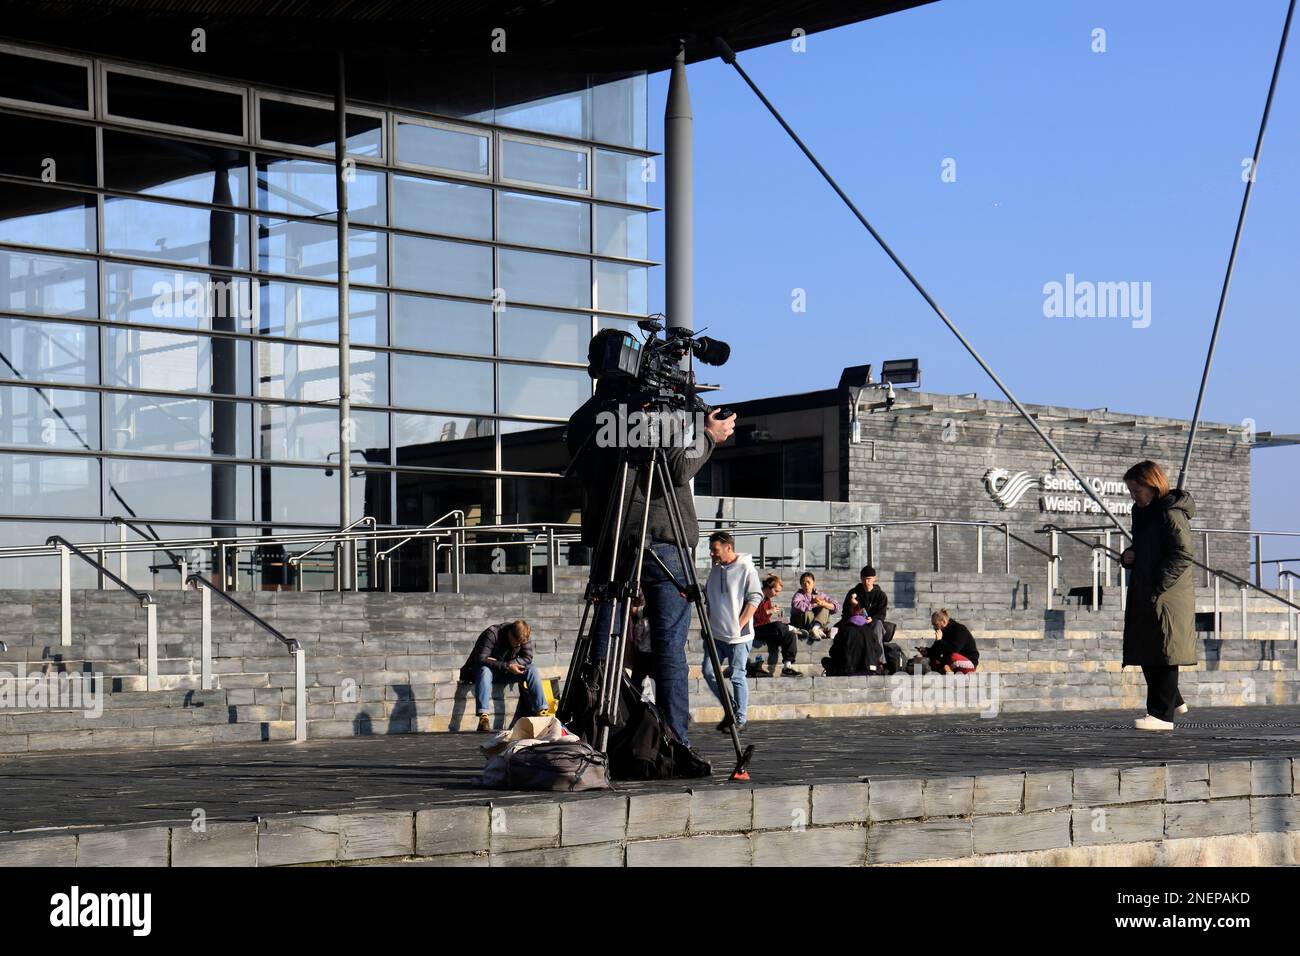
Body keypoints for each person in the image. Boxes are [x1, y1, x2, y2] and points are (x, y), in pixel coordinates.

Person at [567, 329, 735, 747]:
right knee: (667, 648)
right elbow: (678, 468)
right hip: (664, 537)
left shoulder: (586, 418)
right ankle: (674, 742)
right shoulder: (655, 412)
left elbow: (582, 471)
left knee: (604, 641)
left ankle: (593, 734)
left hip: (611, 539)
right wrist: (708, 436)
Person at [1120, 460, 1195, 731]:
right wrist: (1129, 556)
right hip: (1148, 588)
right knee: (1145, 645)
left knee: (1164, 649)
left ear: (1153, 486)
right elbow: (1146, 547)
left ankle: (1162, 716)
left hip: (1167, 593)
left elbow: (1183, 553)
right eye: (1130, 491)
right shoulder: (1143, 512)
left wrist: (1158, 584)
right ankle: (1172, 699)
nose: (1133, 496)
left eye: (1137, 490)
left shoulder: (1170, 513)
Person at [702, 531, 762, 731]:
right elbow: (711, 598)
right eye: (711, 549)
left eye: (715, 549)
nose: (711, 553)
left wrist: (739, 624)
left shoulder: (746, 569)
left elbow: (755, 598)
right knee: (709, 672)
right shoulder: (716, 570)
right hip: (716, 635)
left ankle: (741, 719)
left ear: (728, 547)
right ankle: (731, 706)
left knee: (737, 676)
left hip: (738, 637)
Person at [458, 619, 548, 732]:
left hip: (507, 670)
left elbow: (528, 658)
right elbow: (481, 658)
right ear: (510, 633)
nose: (518, 645)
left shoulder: (523, 636)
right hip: (488, 673)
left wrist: (510, 665)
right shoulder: (491, 634)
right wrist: (506, 666)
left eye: (520, 643)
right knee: (484, 670)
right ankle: (483, 717)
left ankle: (542, 712)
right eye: (516, 642)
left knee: (532, 669)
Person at [753, 573, 804, 676]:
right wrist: (768, 611)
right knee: (778, 626)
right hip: (754, 629)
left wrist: (769, 612)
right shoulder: (756, 596)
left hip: (764, 629)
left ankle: (787, 666)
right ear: (768, 587)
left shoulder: (767, 600)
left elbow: (765, 619)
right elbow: (752, 616)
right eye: (775, 591)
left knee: (790, 635)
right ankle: (791, 627)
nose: (777, 594)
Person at [844, 564, 889, 647]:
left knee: (878, 624)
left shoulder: (880, 595)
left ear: (874, 578)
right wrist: (854, 606)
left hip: (873, 622)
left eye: (869, 579)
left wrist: (872, 619)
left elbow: (881, 614)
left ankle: (879, 658)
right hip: (856, 622)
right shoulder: (853, 593)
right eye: (863, 579)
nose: (866, 582)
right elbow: (845, 612)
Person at [923, 609, 979, 673]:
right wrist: (927, 651)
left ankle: (947, 669)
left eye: (936, 624)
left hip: (969, 662)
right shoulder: (943, 632)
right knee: (933, 660)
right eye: (933, 625)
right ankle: (944, 669)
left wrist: (939, 641)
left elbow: (954, 650)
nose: (934, 628)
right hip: (954, 662)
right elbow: (937, 651)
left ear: (943, 621)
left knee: (952, 656)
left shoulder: (959, 629)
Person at [790, 571, 839, 640]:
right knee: (808, 612)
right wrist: (813, 604)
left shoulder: (820, 594)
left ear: (813, 583)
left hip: (813, 624)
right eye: (803, 583)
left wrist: (822, 603)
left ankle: (815, 629)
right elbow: (797, 605)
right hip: (801, 622)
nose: (806, 585)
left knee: (825, 609)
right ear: (801, 585)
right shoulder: (799, 595)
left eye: (808, 582)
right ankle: (816, 630)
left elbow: (836, 606)